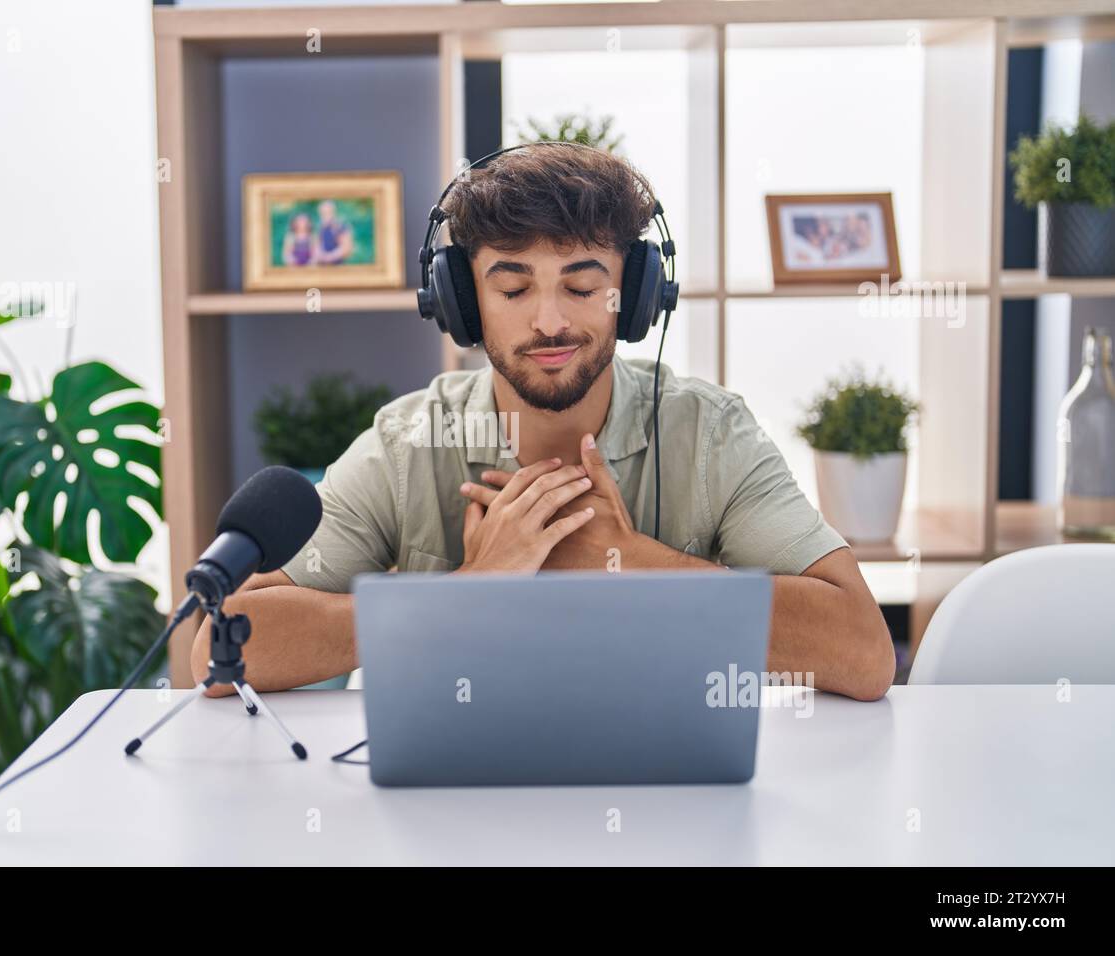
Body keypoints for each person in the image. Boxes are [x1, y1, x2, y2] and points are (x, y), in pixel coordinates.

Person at [195, 143, 894, 701]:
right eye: (513, 287)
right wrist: (470, 591)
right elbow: (219, 654)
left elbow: (863, 654)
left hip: (671, 808)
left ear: (638, 295)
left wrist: (630, 562)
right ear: (462, 301)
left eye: (584, 286)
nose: (551, 320)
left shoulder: (711, 434)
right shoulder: (408, 444)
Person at [315, 199, 354, 265]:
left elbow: (347, 249)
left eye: (328, 212)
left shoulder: (341, 226)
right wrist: (319, 254)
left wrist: (328, 257)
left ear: (333, 212)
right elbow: (318, 245)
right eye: (322, 213)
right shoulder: (321, 227)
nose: (325, 215)